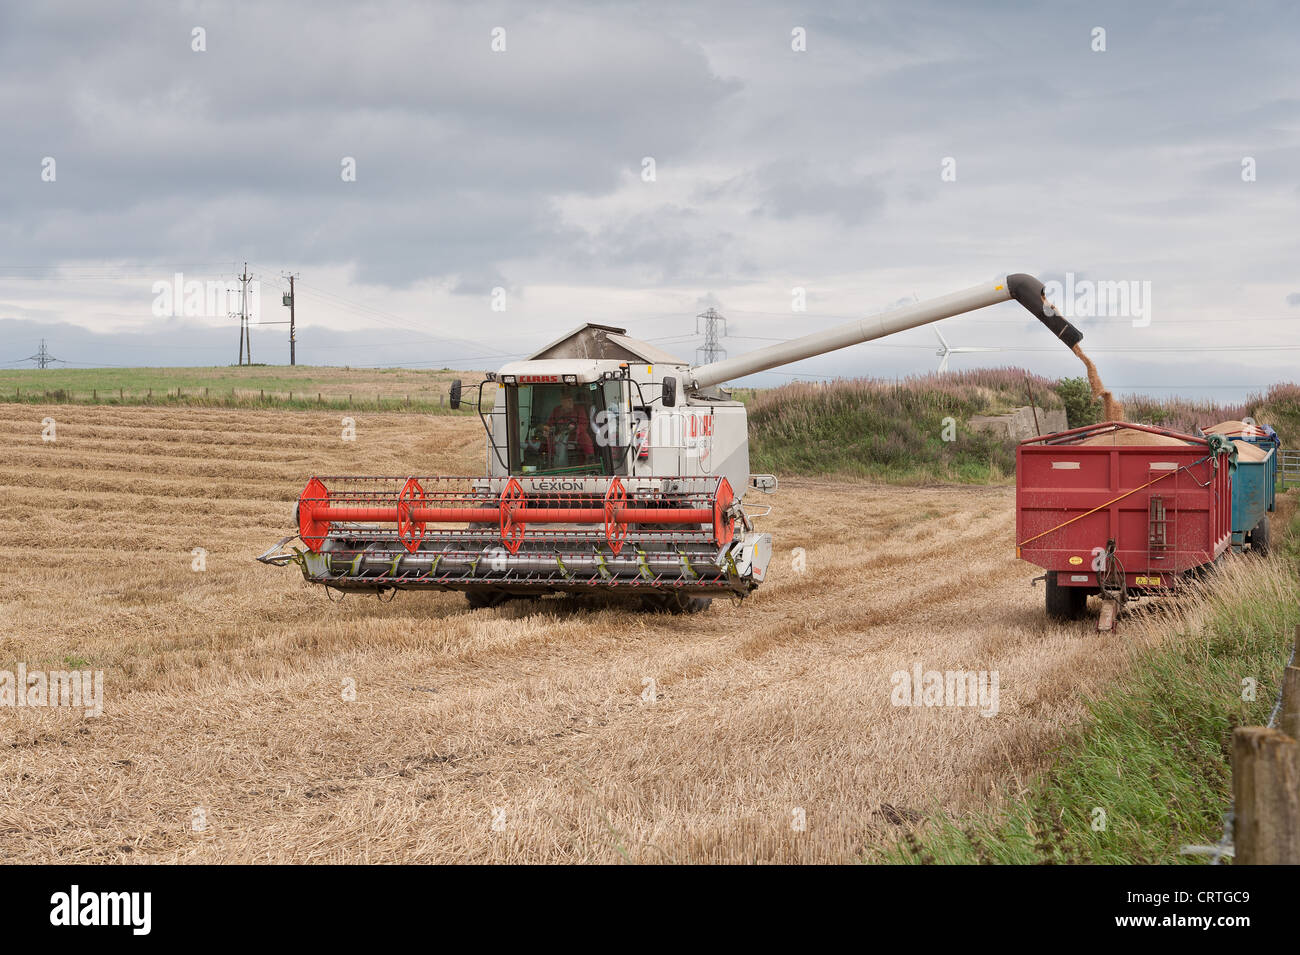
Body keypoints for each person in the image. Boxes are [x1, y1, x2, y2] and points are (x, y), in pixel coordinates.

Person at [543, 392, 595, 465]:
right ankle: (551, 459)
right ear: (562, 402)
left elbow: (584, 424)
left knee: (585, 438)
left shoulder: (579, 409)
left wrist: (575, 428)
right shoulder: (556, 410)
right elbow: (549, 423)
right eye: (566, 401)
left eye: (570, 401)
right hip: (559, 433)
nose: (570, 403)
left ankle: (590, 458)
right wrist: (547, 429)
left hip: (575, 434)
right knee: (549, 437)